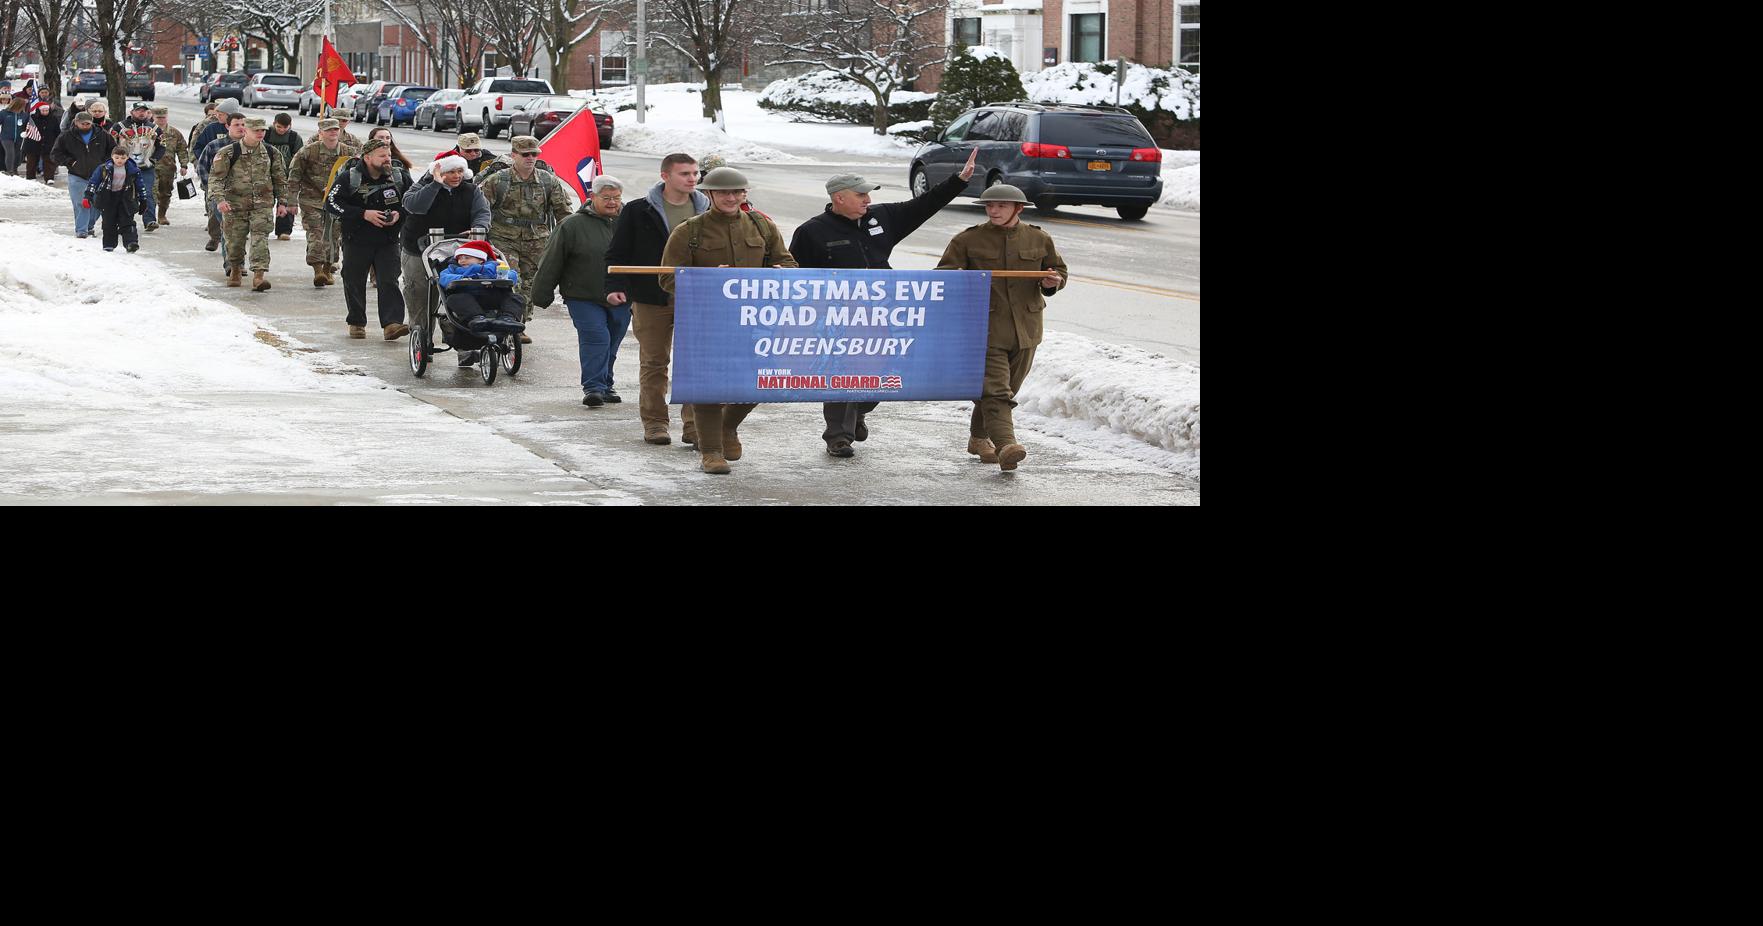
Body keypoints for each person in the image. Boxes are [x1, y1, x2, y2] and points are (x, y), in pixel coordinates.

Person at [790, 151, 979, 458]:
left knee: (887, 369)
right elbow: (796, 276)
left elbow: (924, 205)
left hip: (883, 310)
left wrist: (958, 181)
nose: (867, 199)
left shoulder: (883, 217)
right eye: (860, 194)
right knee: (843, 371)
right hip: (840, 316)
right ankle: (838, 437)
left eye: (868, 195)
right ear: (839, 198)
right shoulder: (812, 231)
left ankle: (860, 407)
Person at [658, 166, 798, 475]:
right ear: (709, 194)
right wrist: (709, 279)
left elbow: (788, 264)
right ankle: (711, 452)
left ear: (744, 194)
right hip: (706, 322)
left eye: (737, 192)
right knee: (709, 388)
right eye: (723, 192)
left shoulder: (762, 227)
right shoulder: (688, 231)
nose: (730, 198)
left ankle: (727, 426)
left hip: (755, 322)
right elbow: (667, 280)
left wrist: (780, 272)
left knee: (760, 382)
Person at [933, 184, 1069, 472]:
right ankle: (1006, 445)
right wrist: (956, 278)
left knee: (1007, 390)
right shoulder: (968, 240)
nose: (993, 211)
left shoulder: (1039, 238)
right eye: (989, 206)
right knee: (996, 392)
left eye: (1001, 206)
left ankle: (978, 438)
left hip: (1027, 329)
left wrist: (1052, 282)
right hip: (984, 328)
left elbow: (1057, 271)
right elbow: (942, 277)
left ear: (1018, 209)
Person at [605, 152, 708, 446]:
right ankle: (655, 423)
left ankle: (695, 425)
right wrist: (615, 285)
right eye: (684, 174)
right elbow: (617, 252)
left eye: (694, 173)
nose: (692, 179)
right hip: (652, 297)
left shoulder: (707, 210)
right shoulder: (639, 210)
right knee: (654, 362)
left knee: (694, 363)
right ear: (665, 176)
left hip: (698, 298)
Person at [531, 175, 627, 407]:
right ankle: (593, 387)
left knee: (612, 341)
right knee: (596, 338)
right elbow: (552, 260)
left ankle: (606, 382)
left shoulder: (628, 223)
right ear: (592, 197)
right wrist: (541, 293)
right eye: (606, 198)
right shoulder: (572, 225)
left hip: (623, 295)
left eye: (616, 198)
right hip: (583, 295)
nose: (613, 202)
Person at [480, 134, 573, 343]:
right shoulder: (498, 180)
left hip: (537, 239)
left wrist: (570, 236)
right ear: (514, 155)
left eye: (534, 154)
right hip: (504, 237)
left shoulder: (548, 180)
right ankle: (507, 320)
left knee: (530, 284)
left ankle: (519, 323)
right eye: (525, 154)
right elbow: (482, 209)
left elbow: (563, 212)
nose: (530, 158)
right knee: (510, 279)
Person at [325, 138, 411, 340]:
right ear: (368, 157)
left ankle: (392, 324)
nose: (387, 159)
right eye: (382, 156)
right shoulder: (349, 178)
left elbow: (412, 200)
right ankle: (356, 322)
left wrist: (400, 214)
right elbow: (331, 203)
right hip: (356, 239)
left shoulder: (399, 177)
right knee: (354, 281)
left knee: (389, 280)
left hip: (388, 240)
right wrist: (363, 214)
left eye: (389, 155)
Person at [399, 154, 491, 334]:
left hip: (458, 251)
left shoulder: (472, 190)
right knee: (421, 295)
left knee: (461, 293)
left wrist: (479, 227)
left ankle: (464, 342)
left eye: (459, 171)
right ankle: (421, 338)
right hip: (419, 250)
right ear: (438, 172)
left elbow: (482, 212)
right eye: (450, 172)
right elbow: (414, 206)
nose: (456, 176)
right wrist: (435, 185)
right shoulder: (421, 187)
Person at [209, 116, 292, 291]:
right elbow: (216, 179)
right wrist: (220, 200)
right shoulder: (228, 152)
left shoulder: (271, 153)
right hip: (235, 206)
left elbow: (280, 179)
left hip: (262, 205)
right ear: (245, 130)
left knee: (260, 240)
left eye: (263, 130)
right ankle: (236, 270)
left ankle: (259, 277)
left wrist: (282, 203)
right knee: (234, 242)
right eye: (256, 130)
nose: (260, 133)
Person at [289, 117, 362, 287]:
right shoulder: (307, 152)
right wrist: (291, 201)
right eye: (328, 130)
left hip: (337, 202)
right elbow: (294, 176)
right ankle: (317, 270)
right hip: (311, 200)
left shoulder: (348, 153)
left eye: (335, 129)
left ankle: (328, 267)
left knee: (333, 236)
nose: (333, 132)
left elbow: (358, 176)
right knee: (316, 234)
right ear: (320, 132)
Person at [438, 240, 525, 337]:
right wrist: (463, 279)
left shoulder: (493, 266)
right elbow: (444, 277)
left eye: (467, 257)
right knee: (453, 299)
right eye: (459, 258)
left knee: (516, 298)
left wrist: (497, 277)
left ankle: (508, 318)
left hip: (492, 296)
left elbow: (512, 275)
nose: (462, 261)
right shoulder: (454, 268)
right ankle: (477, 319)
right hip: (467, 298)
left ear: (480, 260)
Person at [50, 110, 114, 238]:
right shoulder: (66, 136)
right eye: (83, 124)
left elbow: (113, 151)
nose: (86, 126)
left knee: (98, 203)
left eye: (88, 123)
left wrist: (106, 164)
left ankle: (89, 225)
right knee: (81, 202)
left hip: (99, 175)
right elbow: (55, 154)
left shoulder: (103, 135)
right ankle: (81, 230)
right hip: (76, 175)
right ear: (76, 123)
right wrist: (70, 162)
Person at [197, 113, 248, 258]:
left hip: (241, 194)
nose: (241, 128)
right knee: (225, 224)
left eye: (243, 124)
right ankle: (230, 259)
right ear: (227, 126)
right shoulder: (215, 146)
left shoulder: (252, 147)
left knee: (234, 228)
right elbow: (202, 167)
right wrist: (211, 188)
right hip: (219, 193)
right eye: (236, 125)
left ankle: (234, 261)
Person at [83, 145, 149, 252]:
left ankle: (131, 243)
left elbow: (140, 186)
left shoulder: (133, 170)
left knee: (127, 221)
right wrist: (88, 196)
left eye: (123, 158)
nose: (120, 160)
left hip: (126, 198)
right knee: (109, 223)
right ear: (112, 157)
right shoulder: (104, 168)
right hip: (108, 198)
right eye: (117, 157)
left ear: (127, 157)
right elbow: (93, 182)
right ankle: (109, 244)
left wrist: (143, 200)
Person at [112, 101, 161, 231]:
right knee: (121, 194)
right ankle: (122, 221)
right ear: (132, 112)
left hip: (146, 168)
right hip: (123, 167)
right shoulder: (119, 127)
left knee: (147, 194)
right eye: (138, 110)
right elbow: (110, 144)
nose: (141, 113)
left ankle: (149, 220)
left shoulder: (154, 128)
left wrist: (154, 159)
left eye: (144, 110)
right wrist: (114, 161)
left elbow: (162, 146)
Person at [149, 105, 193, 227]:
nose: (161, 120)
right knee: (151, 192)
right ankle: (150, 218)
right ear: (153, 117)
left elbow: (182, 150)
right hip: (150, 167)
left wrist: (184, 165)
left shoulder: (174, 133)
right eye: (158, 117)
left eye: (163, 117)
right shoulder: (148, 131)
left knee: (165, 193)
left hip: (168, 168)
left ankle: (162, 215)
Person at [264, 112, 303, 240]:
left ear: (290, 126)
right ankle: (262, 228)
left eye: (285, 128)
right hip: (267, 175)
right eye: (279, 127)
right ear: (274, 124)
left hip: (286, 176)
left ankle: (284, 231)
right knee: (264, 203)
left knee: (285, 202)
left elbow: (299, 158)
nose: (282, 130)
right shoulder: (266, 134)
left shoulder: (294, 138)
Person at [23, 99, 62, 184]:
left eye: (47, 110)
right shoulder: (32, 118)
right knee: (32, 161)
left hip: (49, 143)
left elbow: (57, 131)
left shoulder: (53, 118)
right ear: (39, 110)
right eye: (43, 110)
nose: (45, 112)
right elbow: (26, 128)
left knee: (49, 162)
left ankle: (49, 178)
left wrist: (58, 141)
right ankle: (30, 177)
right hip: (33, 143)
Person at [433, 132, 497, 175]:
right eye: (468, 151)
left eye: (476, 150)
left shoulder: (489, 158)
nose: (473, 153)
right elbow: (426, 181)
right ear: (459, 148)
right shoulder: (447, 159)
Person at [0, 95, 23, 175]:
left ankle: (14, 169)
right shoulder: (4, 113)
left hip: (19, 137)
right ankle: (10, 171)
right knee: (10, 153)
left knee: (18, 154)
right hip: (6, 137)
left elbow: (28, 124)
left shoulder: (23, 114)